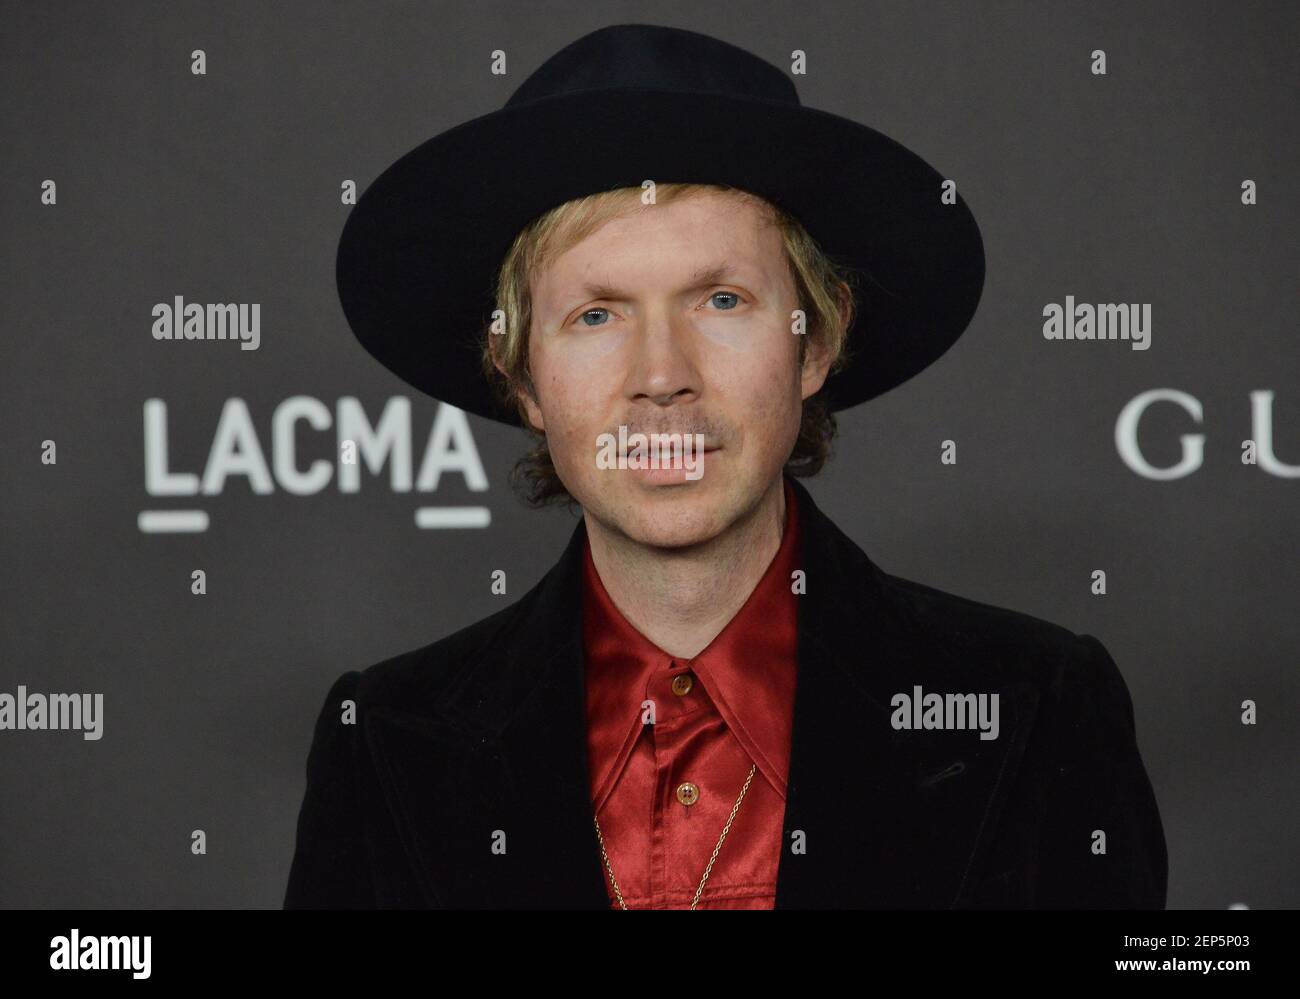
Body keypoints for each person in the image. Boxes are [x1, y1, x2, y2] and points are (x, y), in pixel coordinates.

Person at [283, 23, 1167, 909]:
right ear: (523, 375)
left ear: (814, 339)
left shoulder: (1040, 706)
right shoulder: (386, 741)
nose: (662, 376)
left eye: (721, 299)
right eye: (596, 315)